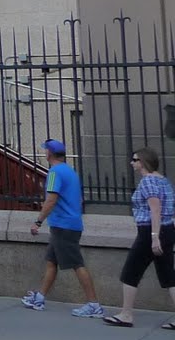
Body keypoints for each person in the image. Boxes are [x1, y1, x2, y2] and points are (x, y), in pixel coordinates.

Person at [23, 138, 104, 317]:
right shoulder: (70, 170)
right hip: (69, 223)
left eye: (45, 151)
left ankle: (93, 304)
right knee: (52, 262)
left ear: (49, 153)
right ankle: (40, 298)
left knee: (77, 263)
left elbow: (51, 199)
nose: (44, 153)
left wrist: (38, 221)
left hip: (63, 225)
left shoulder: (54, 172)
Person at [103, 148, 175, 328]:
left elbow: (155, 209)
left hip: (150, 231)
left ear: (143, 162)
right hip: (167, 230)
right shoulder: (164, 180)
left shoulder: (148, 181)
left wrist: (154, 237)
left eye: (134, 160)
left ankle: (126, 314)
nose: (132, 163)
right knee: (168, 275)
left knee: (130, 272)